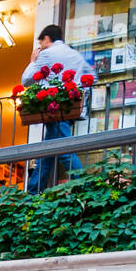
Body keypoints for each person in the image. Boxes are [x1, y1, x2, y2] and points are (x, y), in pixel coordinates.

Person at [22, 24, 91, 193]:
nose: (40, 47)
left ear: (47, 39)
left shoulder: (47, 54)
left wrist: (33, 61)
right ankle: (33, 190)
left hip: (54, 106)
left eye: (41, 43)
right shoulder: (74, 54)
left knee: (65, 151)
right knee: (47, 151)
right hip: (70, 106)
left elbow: (26, 80)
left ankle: (83, 187)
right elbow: (88, 78)